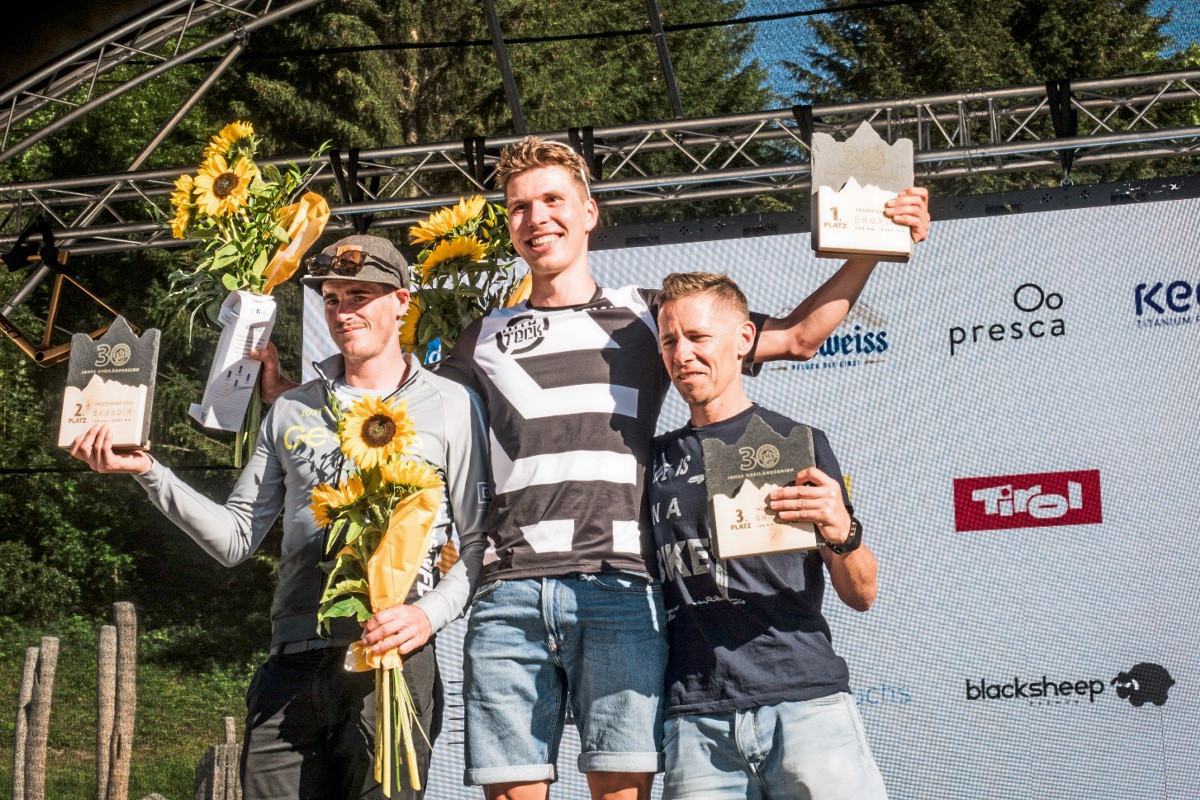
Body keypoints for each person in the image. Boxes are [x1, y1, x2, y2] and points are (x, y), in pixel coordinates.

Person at [257, 136, 927, 800]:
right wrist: (292, 398)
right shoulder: (482, 336)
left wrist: (875, 242)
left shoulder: (647, 316)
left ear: (589, 212)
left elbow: (801, 337)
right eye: (519, 207)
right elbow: (402, 415)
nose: (536, 218)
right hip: (508, 591)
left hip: (617, 587)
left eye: (553, 200)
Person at [69, 235, 491, 800]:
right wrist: (150, 472)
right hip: (291, 660)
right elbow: (236, 537)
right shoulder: (293, 407)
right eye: (332, 299)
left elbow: (480, 540)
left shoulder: (450, 404)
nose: (344, 312)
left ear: (401, 301)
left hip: (394, 659)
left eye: (360, 295)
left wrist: (428, 616)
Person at [650, 271, 885, 800]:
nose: (682, 353)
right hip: (696, 721)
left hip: (806, 705)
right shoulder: (650, 461)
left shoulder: (799, 443)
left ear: (744, 340)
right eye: (669, 340)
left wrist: (841, 532)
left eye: (698, 336)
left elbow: (862, 593)